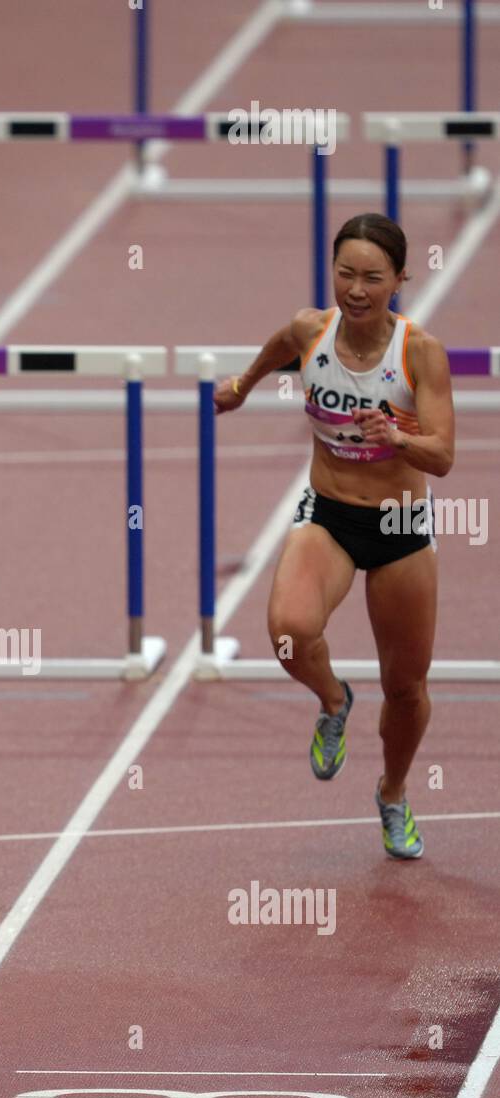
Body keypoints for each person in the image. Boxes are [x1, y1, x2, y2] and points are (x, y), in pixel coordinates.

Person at [214, 214, 455, 859]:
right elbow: (276, 349)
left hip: (401, 527)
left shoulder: (420, 352)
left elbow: (444, 455)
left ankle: (395, 794)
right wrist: (241, 387)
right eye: (346, 273)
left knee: (406, 687)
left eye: (372, 277)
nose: (356, 288)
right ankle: (333, 699)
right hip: (330, 515)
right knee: (289, 632)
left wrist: (399, 437)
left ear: (400, 279)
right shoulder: (310, 330)